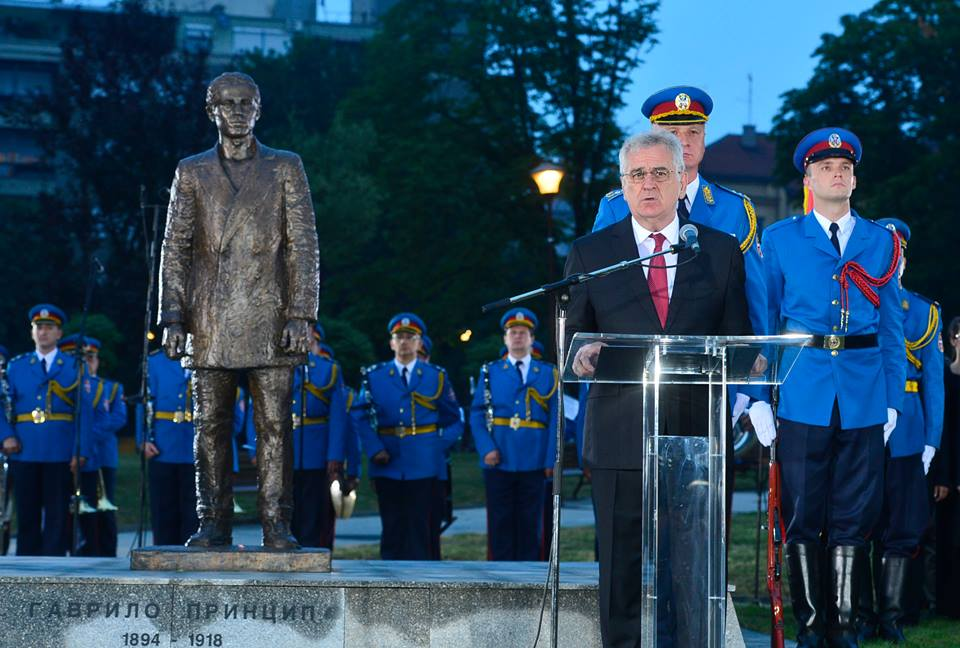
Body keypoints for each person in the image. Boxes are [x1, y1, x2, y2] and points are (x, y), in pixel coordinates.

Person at [564, 130, 754, 647]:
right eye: (637, 175)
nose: (648, 184)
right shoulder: (591, 252)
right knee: (619, 566)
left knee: (689, 567)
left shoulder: (717, 252)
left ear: (679, 180)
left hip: (694, 432)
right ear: (623, 185)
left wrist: (749, 367)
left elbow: (738, 343)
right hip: (619, 429)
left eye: (659, 173)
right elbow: (573, 343)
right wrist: (579, 356)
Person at [158, 71, 320, 549]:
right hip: (209, 319)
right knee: (210, 426)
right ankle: (213, 521)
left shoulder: (285, 166)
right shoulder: (192, 170)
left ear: (258, 109)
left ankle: (276, 523)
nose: (236, 111)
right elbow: (176, 247)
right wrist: (171, 316)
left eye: (244, 102)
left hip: (270, 315)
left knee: (274, 425)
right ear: (211, 111)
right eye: (226, 103)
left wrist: (300, 314)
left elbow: (303, 245)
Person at [762, 128, 905, 648]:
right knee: (802, 515)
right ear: (808, 178)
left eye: (845, 167)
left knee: (854, 517)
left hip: (866, 392)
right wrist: (759, 397)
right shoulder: (779, 240)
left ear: (854, 178)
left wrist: (893, 399)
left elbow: (891, 329)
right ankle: (811, 629)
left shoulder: (880, 241)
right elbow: (766, 325)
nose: (836, 173)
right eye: (825, 167)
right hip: (803, 389)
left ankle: (844, 631)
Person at [852, 218, 943, 642]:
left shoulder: (924, 312)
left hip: (906, 429)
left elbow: (934, 384)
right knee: (859, 524)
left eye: (898, 253)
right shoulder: (854, 301)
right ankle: (860, 615)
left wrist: (931, 440)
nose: (894, 260)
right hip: (863, 421)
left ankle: (891, 616)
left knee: (902, 529)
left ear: (902, 259)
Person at [356, 313, 461, 560]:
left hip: (423, 462)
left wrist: (436, 446)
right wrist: (373, 449)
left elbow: (454, 419)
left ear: (419, 343)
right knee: (391, 526)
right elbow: (359, 415)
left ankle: (422, 586)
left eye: (410, 337)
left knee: (420, 528)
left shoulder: (436, 376)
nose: (404, 342)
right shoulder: (375, 376)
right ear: (391, 343)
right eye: (399, 337)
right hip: (387, 460)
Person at [0, 304, 93, 556]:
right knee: (26, 511)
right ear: (32, 332)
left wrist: (80, 448)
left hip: (60, 450)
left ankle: (54, 562)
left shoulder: (73, 365)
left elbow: (85, 411)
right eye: (38, 327)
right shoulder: (16, 366)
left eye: (49, 328)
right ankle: (27, 562)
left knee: (57, 512)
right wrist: (6, 434)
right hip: (24, 447)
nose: (43, 332)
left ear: (59, 333)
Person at [246, 323, 349, 548]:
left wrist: (335, 456)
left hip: (315, 450)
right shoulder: (272, 366)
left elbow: (338, 417)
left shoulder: (327, 369)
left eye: (307, 328)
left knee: (312, 510)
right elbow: (258, 408)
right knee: (280, 507)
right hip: (279, 448)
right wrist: (255, 447)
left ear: (313, 334)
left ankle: (311, 551)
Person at [470, 308, 558, 561]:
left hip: (535, 456)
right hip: (500, 454)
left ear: (532, 338)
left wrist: (551, 459)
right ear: (505, 339)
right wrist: (486, 448)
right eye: (513, 333)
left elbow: (555, 419)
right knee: (501, 519)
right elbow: (477, 413)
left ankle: (530, 574)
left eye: (523, 333)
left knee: (531, 520)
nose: (518, 337)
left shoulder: (548, 373)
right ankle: (501, 574)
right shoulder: (490, 371)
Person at [136, 349, 198, 546]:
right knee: (163, 509)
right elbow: (145, 401)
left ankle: (193, 559)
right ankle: (163, 554)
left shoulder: (207, 356)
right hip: (163, 445)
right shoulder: (155, 361)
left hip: (197, 446)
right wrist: (144, 438)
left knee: (195, 511)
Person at [934, 317, 960, 618]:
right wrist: (946, 475)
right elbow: (945, 431)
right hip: (949, 470)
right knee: (948, 540)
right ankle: (946, 604)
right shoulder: (944, 378)